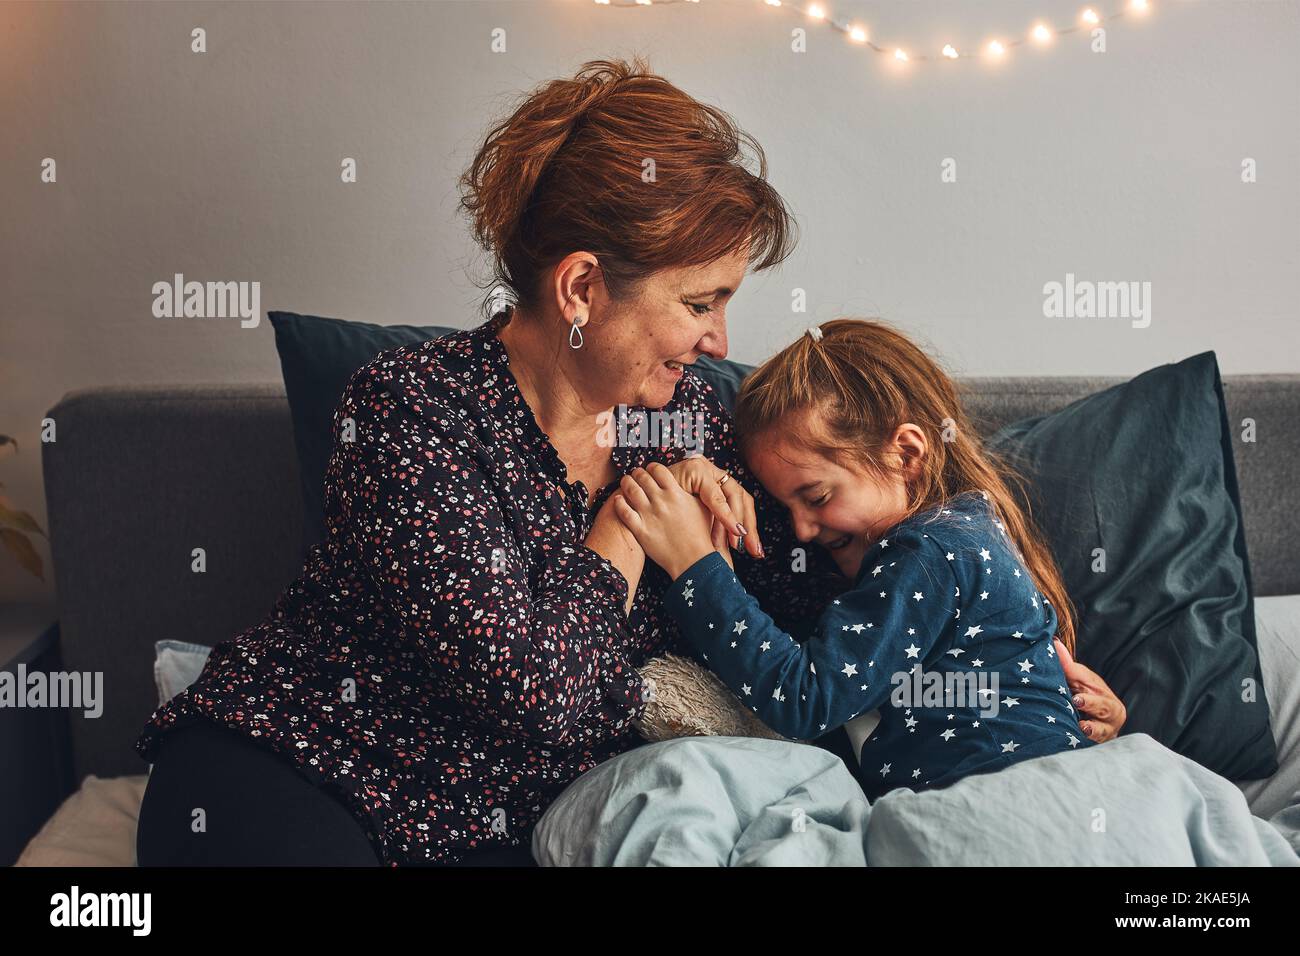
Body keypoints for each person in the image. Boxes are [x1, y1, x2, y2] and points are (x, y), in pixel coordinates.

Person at [134, 58, 1126, 867]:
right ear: (579, 287)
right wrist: (626, 522)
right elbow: (543, 693)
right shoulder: (413, 413)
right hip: (316, 764)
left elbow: (826, 626)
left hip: (517, 825)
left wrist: (1007, 671)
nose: (718, 336)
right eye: (699, 302)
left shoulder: (698, 418)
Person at [612, 319, 1107, 798]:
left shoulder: (927, 552)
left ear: (905, 455)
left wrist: (696, 566)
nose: (802, 530)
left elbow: (806, 698)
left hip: (1002, 802)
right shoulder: (969, 534)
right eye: (787, 510)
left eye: (817, 496)